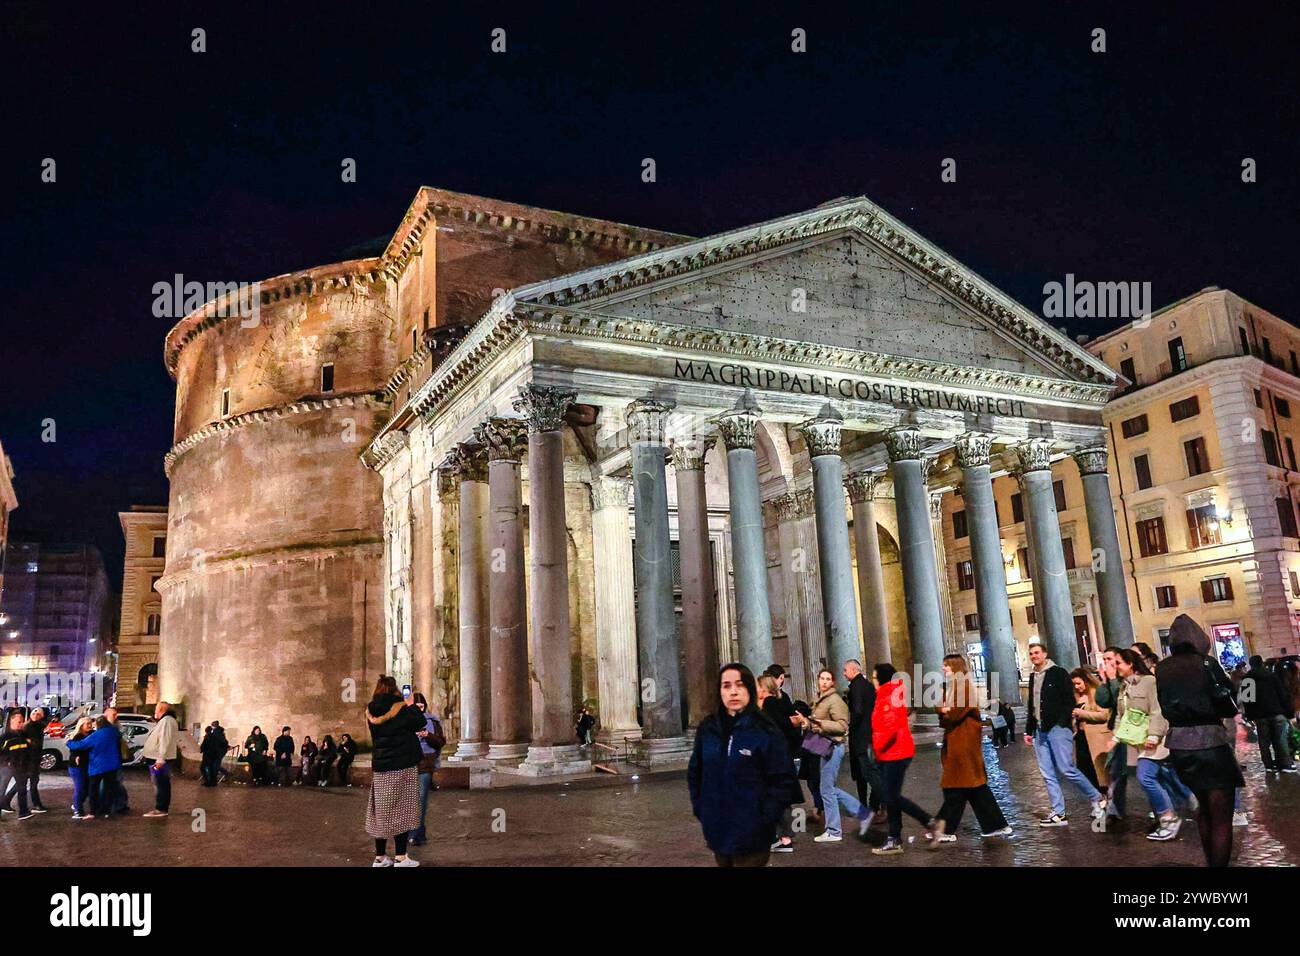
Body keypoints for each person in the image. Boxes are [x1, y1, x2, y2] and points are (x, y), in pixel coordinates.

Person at [1156, 614, 1246, 866]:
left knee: (1204, 810)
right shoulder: (1206, 663)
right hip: (1210, 743)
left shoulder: (1162, 668)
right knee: (1220, 815)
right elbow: (1228, 705)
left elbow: (1165, 706)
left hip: (1180, 746)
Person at [687, 663, 795, 867]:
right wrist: (703, 809)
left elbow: (782, 778)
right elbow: (696, 773)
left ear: (750, 690)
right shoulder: (708, 729)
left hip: (754, 833)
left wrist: (765, 818)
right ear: (719, 691)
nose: (733, 691)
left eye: (740, 685)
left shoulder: (765, 729)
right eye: (726, 686)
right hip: (719, 831)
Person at [931, 654, 1011, 847]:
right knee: (973, 787)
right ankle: (995, 825)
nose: (943, 669)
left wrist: (942, 710)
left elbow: (954, 713)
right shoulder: (955, 687)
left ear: (955, 667)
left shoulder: (964, 687)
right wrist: (943, 710)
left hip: (963, 743)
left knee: (957, 786)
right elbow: (945, 713)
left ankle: (945, 829)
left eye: (946, 666)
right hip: (959, 741)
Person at [1112, 648, 1190, 841]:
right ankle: (1187, 803)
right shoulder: (1123, 687)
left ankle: (1169, 818)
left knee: (1145, 776)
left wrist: (1154, 735)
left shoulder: (1150, 682)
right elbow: (1121, 715)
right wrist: (1116, 736)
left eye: (1118, 662)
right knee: (1165, 777)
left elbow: (1158, 711)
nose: (1116, 667)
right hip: (1139, 742)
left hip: (1154, 741)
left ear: (1130, 664)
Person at [1024, 642, 1106, 826]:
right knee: (1047, 773)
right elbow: (1032, 704)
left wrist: (1062, 722)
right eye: (1031, 653)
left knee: (1066, 768)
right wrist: (1028, 730)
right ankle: (1059, 812)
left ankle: (1096, 796)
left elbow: (1068, 699)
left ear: (1045, 654)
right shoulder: (1033, 676)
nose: (1034, 656)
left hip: (1057, 728)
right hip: (1039, 729)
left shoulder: (1058, 673)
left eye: (1037, 652)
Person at [793, 668, 869, 842]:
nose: (824, 681)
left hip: (833, 746)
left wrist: (819, 724)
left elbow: (842, 726)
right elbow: (816, 725)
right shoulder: (821, 700)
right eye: (822, 678)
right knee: (828, 788)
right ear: (818, 680)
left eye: (828, 679)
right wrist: (806, 723)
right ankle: (862, 813)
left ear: (832, 682)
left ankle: (834, 831)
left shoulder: (834, 701)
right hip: (824, 747)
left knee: (826, 789)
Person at [870, 662, 937, 855]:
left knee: (892, 797)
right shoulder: (888, 694)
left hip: (894, 752)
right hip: (893, 751)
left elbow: (889, 727)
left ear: (881, 678)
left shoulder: (888, 695)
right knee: (891, 797)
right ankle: (895, 839)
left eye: (874, 677)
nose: (872, 680)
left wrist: (878, 747)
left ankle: (929, 822)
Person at [364, 677, 425, 866]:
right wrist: (411, 705)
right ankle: (401, 857)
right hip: (402, 764)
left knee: (380, 812)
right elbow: (419, 721)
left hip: (381, 767)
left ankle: (380, 857)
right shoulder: (400, 708)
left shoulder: (370, 710)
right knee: (402, 810)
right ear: (394, 689)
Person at [757, 673, 803, 852]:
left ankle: (782, 839)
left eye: (759, 687)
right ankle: (781, 838)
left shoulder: (769, 705)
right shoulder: (777, 703)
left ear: (765, 688)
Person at [844, 659, 884, 825]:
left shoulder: (855, 687)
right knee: (869, 773)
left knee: (864, 774)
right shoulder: (867, 685)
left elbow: (858, 711)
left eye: (845, 670)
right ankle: (874, 806)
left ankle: (869, 805)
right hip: (871, 734)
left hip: (860, 736)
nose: (844, 673)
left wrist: (848, 726)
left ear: (854, 670)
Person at [1241, 655, 1296, 773]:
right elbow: (1282, 694)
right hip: (1276, 712)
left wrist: (1249, 716)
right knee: (1280, 739)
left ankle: (1269, 765)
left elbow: (1247, 699)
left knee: (1264, 740)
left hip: (1260, 715)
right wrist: (1289, 712)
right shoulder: (1271, 676)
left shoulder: (1248, 678)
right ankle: (1285, 763)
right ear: (1261, 663)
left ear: (1251, 664)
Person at [67, 715, 123, 819]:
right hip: (113, 765)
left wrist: (69, 742)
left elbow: (80, 745)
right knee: (109, 788)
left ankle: (93, 812)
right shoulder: (114, 732)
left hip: (98, 766)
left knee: (93, 789)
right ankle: (107, 811)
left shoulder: (97, 735)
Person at [409, 692, 445, 845]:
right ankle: (417, 832)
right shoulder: (406, 721)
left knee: (422, 798)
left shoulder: (433, 721)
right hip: (409, 763)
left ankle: (416, 832)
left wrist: (427, 735)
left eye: (422, 706)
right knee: (410, 799)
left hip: (425, 763)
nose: (419, 709)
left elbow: (440, 741)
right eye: (416, 707)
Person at [1070, 668, 1111, 791]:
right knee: (1085, 772)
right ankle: (1099, 800)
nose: (1076, 687)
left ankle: (1106, 800)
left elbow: (1104, 715)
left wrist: (1082, 713)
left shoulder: (1096, 693)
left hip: (1096, 739)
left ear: (1086, 681)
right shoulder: (1077, 697)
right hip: (1081, 738)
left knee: (1100, 774)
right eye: (1074, 684)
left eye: (1078, 683)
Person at [139, 700, 180, 817]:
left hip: (158, 759)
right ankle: (161, 807)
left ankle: (161, 809)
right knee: (161, 782)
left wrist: (160, 759)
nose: (155, 712)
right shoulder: (166, 721)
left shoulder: (166, 721)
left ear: (162, 710)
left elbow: (164, 740)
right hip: (157, 758)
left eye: (156, 709)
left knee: (160, 782)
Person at [3, 707, 48, 814]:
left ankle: (6, 802)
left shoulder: (38, 726)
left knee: (24, 783)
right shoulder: (28, 727)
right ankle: (35, 805)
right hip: (28, 760)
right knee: (29, 782)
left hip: (32, 759)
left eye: (39, 713)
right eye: (34, 712)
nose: (36, 714)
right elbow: (26, 743)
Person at [0, 710, 34, 821]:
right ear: (11, 721)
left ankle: (23, 812)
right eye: (19, 721)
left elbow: (27, 751)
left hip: (21, 767)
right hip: (7, 768)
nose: (21, 724)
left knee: (22, 788)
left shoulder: (24, 736)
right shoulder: (5, 737)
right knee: (1, 789)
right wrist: (7, 762)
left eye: (22, 722)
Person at [103, 708, 132, 815]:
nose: (116, 717)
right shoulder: (108, 728)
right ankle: (118, 804)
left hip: (115, 760)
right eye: (113, 715)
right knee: (115, 783)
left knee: (117, 783)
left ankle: (119, 805)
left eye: (116, 715)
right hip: (109, 760)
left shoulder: (115, 728)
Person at [67, 718, 95, 818]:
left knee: (86, 788)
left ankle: (76, 804)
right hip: (77, 766)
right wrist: (76, 756)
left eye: (90, 723)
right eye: (86, 724)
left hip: (88, 765)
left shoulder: (93, 734)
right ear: (81, 725)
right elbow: (73, 748)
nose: (89, 725)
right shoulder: (77, 736)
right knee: (80, 787)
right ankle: (78, 811)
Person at [199, 721, 229, 787]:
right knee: (213, 767)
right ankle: (212, 782)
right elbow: (225, 743)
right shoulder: (220, 733)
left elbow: (209, 744)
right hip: (215, 753)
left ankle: (210, 782)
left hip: (213, 753)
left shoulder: (215, 733)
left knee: (210, 767)